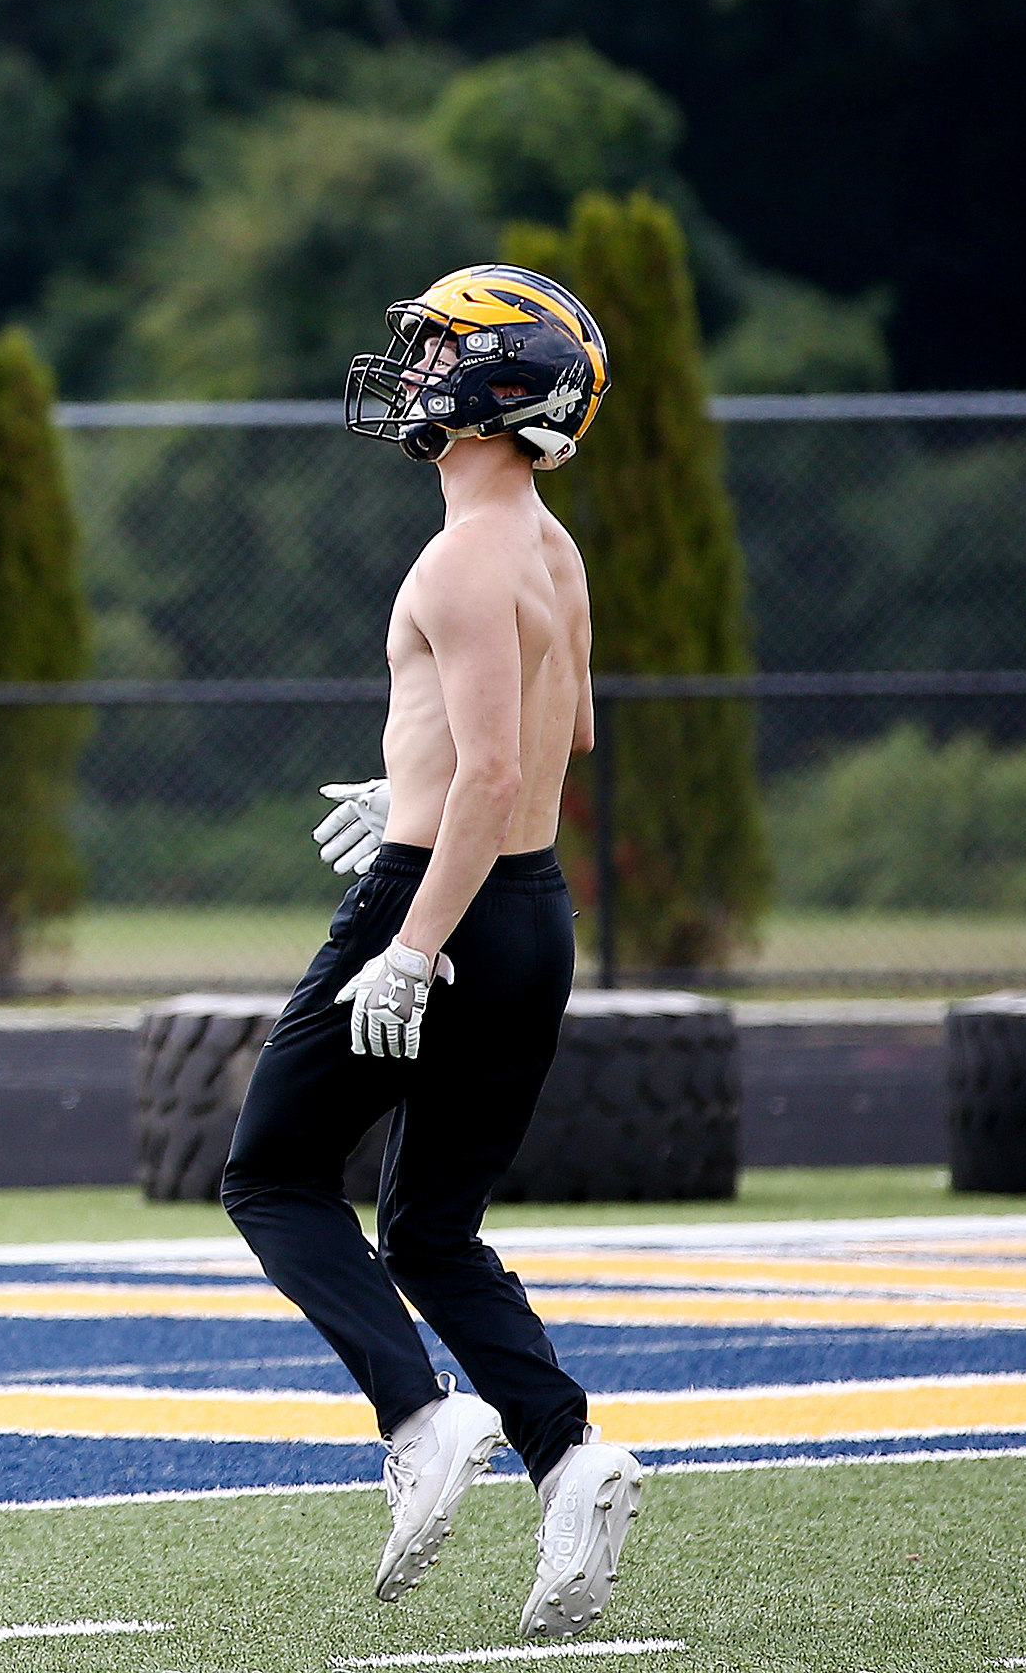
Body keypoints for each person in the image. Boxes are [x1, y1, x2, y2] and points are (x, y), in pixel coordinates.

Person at [220, 266, 644, 1638]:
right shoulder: (549, 546)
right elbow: (559, 743)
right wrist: (399, 777)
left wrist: (408, 941)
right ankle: (571, 1457)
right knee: (431, 1228)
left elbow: (494, 763)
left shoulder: (459, 554)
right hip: (532, 911)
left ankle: (418, 1416)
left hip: (444, 910)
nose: (410, 374)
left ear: (496, 387)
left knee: (273, 1175)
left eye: (436, 355)